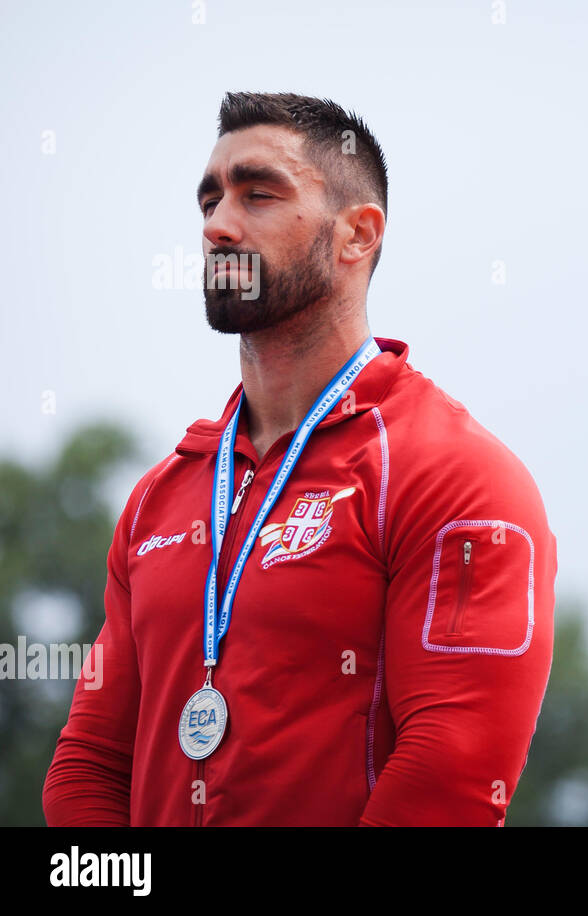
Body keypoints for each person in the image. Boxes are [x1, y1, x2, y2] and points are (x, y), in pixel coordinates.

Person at [43, 92, 557, 826]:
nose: (217, 227)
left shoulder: (455, 476)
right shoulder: (164, 493)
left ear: (357, 234)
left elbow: (452, 773)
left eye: (258, 195)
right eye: (209, 200)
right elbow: (88, 766)